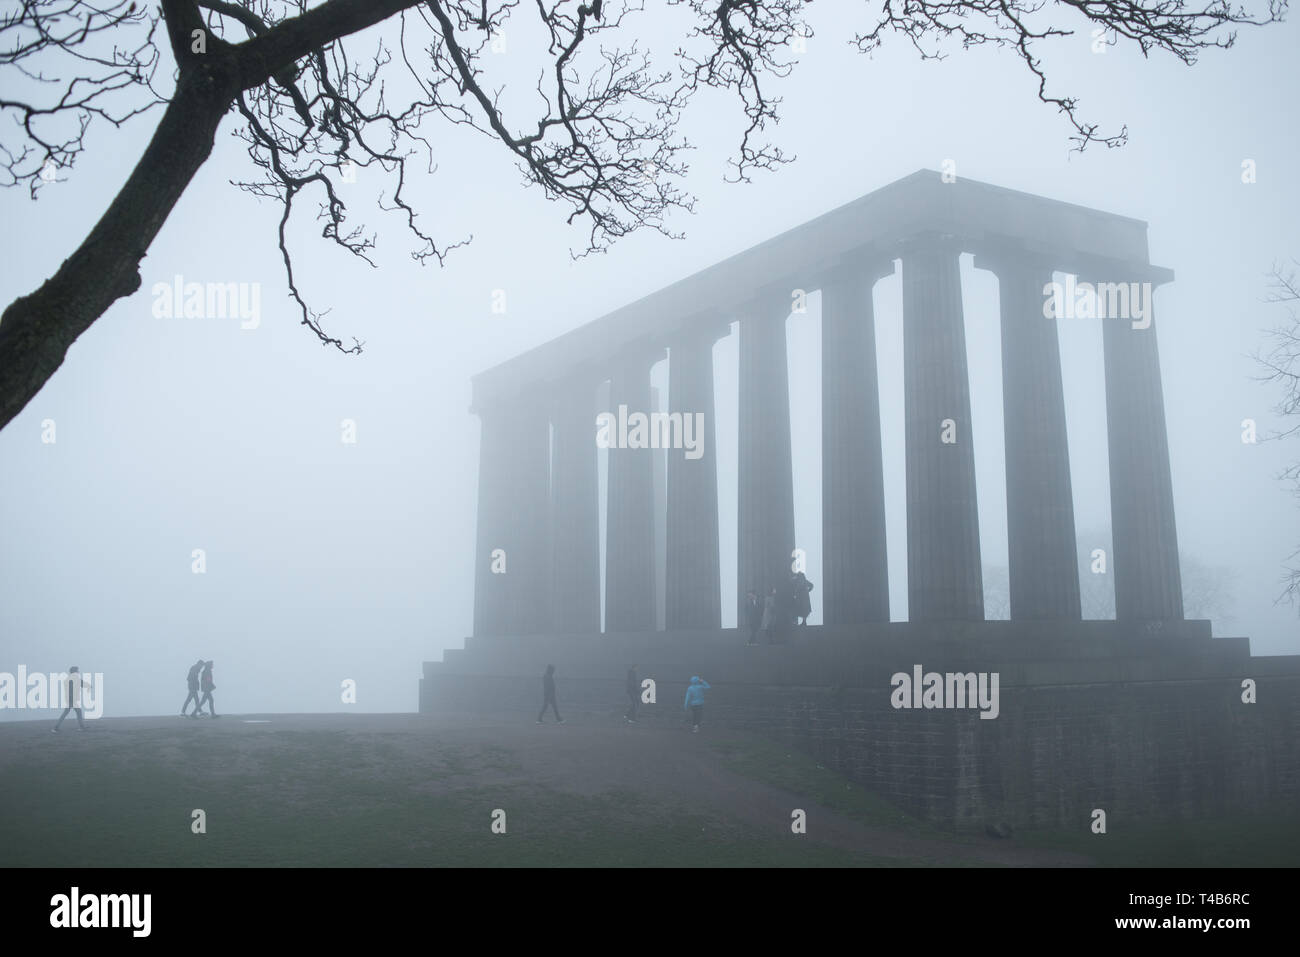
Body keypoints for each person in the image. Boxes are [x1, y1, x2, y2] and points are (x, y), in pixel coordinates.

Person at [52, 666, 88, 732]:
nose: (78, 671)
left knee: (67, 713)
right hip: (71, 699)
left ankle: (56, 727)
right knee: (76, 712)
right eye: (77, 670)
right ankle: (55, 728)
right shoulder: (74, 678)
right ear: (74, 671)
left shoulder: (70, 678)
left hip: (70, 699)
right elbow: (81, 683)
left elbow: (80, 683)